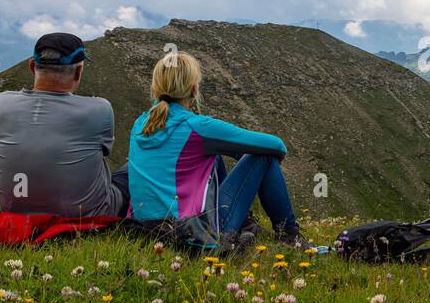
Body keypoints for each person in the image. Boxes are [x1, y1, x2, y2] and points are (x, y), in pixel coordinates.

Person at [126, 51, 304, 251]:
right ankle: (290, 236)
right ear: (194, 89)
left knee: (212, 157)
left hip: (145, 229)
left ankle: (248, 225)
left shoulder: (139, 125)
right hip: (192, 232)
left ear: (156, 87)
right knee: (264, 158)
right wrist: (251, 161)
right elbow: (275, 145)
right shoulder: (197, 127)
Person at [0, 32, 129, 218]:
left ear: (31, 66)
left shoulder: (0, 104)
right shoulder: (100, 109)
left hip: (15, 212)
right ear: (78, 72)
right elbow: (105, 151)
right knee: (134, 167)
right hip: (88, 215)